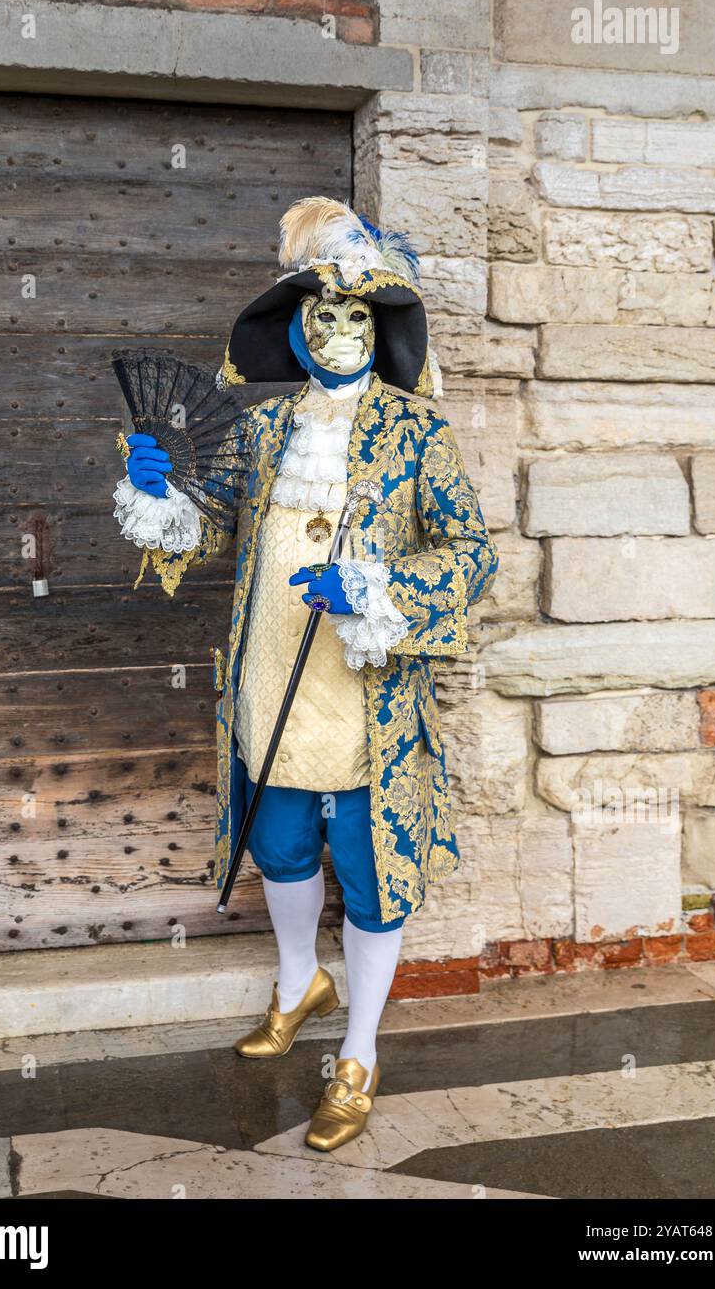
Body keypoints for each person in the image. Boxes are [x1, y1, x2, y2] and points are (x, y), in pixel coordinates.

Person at [113, 197, 498, 1150]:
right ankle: (299, 981)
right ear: (296, 327)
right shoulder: (259, 430)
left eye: (355, 317)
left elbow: (473, 556)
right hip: (269, 682)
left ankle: (358, 1054)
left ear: (380, 329)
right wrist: (156, 492)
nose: (335, 331)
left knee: (367, 877)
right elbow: (204, 536)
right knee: (280, 847)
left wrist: (372, 585)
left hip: (364, 700)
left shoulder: (421, 437)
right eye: (319, 315)